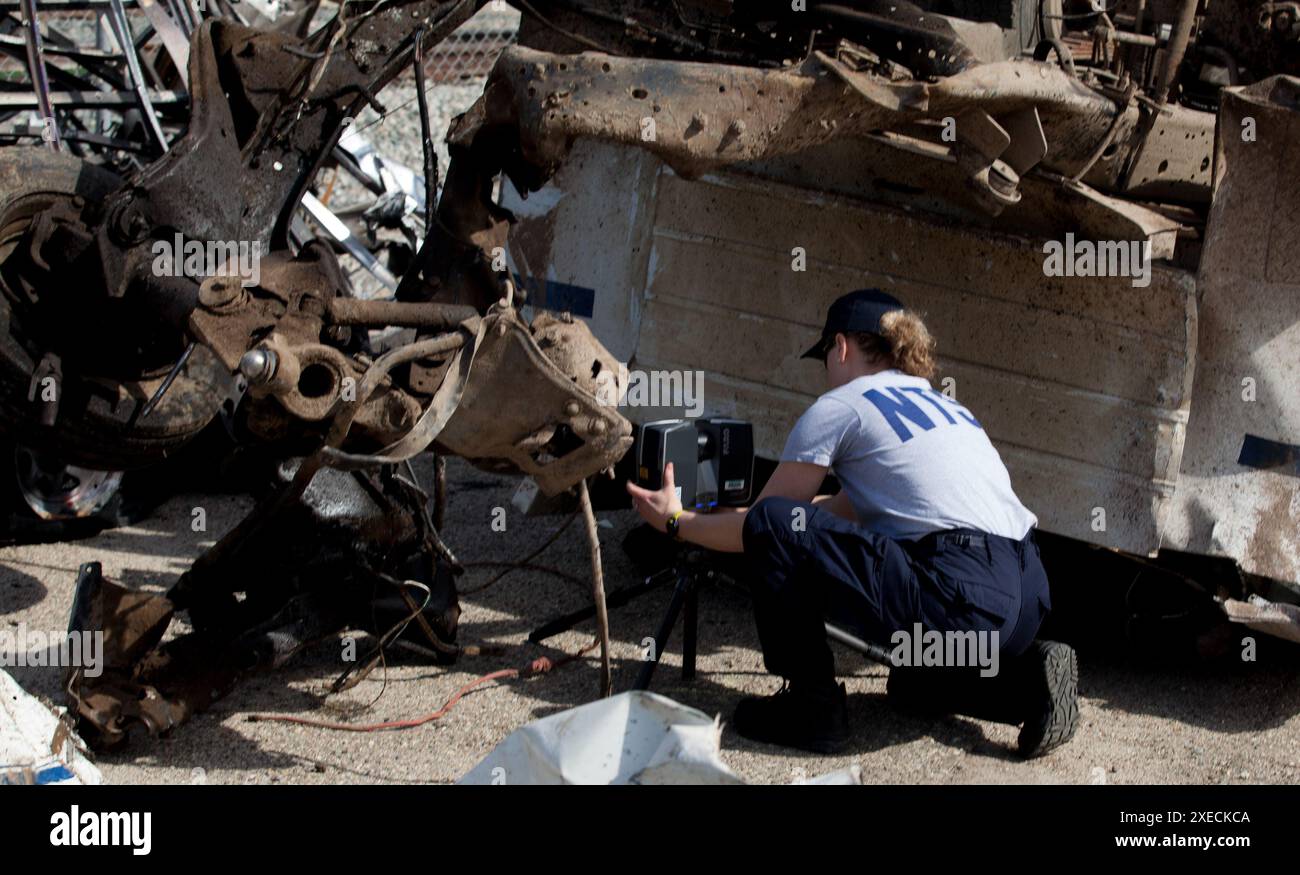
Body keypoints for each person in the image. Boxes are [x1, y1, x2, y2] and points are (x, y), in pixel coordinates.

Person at [626, 288, 1079, 757]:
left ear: (840, 346)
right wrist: (727, 516)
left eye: (824, 356)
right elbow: (831, 515)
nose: (825, 372)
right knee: (910, 684)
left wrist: (675, 521)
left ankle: (812, 709)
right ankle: (1030, 682)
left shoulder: (842, 404)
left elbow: (764, 527)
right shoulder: (946, 407)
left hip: (957, 594)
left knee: (772, 523)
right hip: (1024, 595)